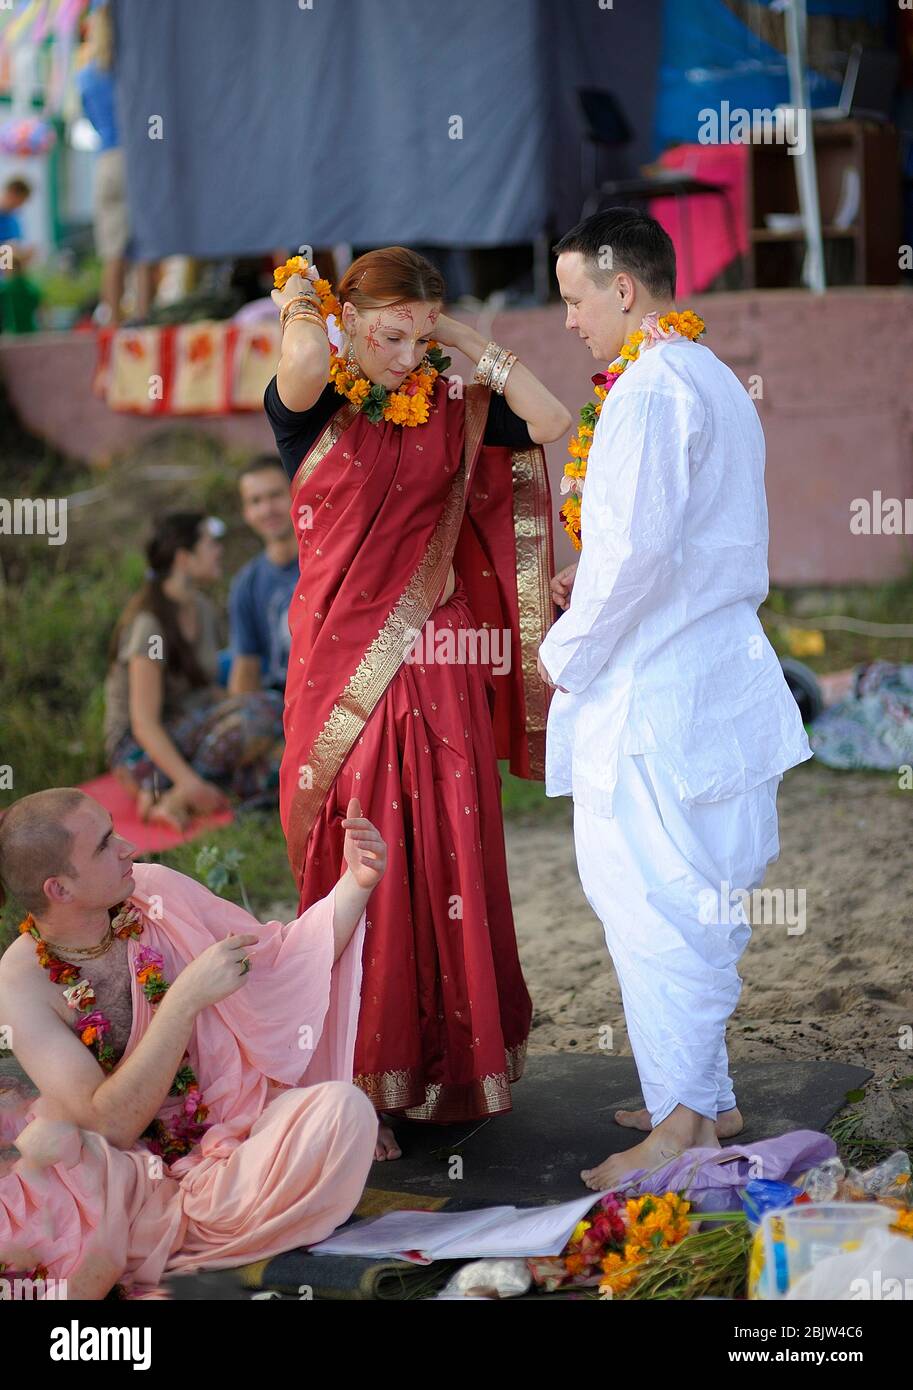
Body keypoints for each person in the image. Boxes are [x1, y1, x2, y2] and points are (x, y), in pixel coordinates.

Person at [266, 246, 570, 1158]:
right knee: (357, 856)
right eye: (389, 334)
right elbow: (308, 361)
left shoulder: (451, 403)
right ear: (348, 321)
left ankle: (447, 1066)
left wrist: (464, 339)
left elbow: (550, 419)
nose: (406, 356)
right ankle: (357, 1079)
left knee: (446, 854)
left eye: (419, 336)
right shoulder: (313, 404)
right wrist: (298, 294)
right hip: (340, 671)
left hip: (437, 668)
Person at [537, 209, 812, 1191]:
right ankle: (705, 1093)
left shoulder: (652, 390)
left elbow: (637, 555)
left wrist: (560, 649)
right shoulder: (709, 377)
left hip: (660, 689)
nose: (568, 321)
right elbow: (668, 542)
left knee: (656, 905)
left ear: (623, 287)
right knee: (691, 897)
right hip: (712, 675)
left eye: (574, 299)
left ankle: (682, 1127)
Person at [0, 787, 384, 1298]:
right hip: (123, 1181)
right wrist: (183, 1002)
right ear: (60, 890)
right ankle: (187, 1236)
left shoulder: (154, 892)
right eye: (104, 845)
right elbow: (108, 1126)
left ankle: (196, 1238)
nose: (129, 846)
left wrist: (355, 884)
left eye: (116, 829)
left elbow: (279, 962)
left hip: (228, 1130)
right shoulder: (21, 981)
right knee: (76, 1226)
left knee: (343, 1112)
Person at [104, 511, 285, 830]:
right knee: (268, 707)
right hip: (140, 751)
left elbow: (203, 690)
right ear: (184, 558)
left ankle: (163, 797)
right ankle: (183, 792)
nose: (219, 550)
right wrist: (191, 782)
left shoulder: (201, 608)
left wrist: (234, 713)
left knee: (275, 758)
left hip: (187, 734)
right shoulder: (151, 626)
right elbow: (144, 723)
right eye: (211, 543)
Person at [74, 3, 154, 325]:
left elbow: (91, 121)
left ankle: (113, 323)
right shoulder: (133, 68)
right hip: (137, 159)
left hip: (107, 161)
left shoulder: (86, 75)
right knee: (146, 246)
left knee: (112, 251)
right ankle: (146, 319)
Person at [227, 455, 299, 696]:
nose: (267, 509)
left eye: (275, 496)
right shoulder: (246, 585)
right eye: (256, 501)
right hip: (281, 702)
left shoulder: (332, 564)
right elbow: (246, 668)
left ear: (296, 494)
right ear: (246, 512)